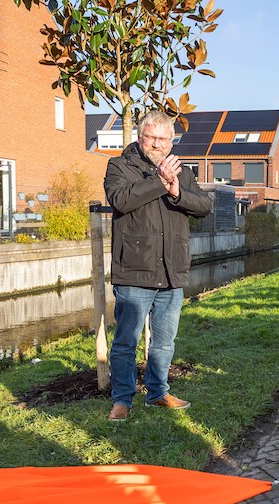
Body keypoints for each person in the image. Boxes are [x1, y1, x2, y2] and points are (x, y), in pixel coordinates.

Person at [104, 111, 213, 421]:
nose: (156, 144)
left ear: (171, 141)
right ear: (140, 138)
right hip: (135, 270)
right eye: (150, 137)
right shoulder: (120, 166)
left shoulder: (183, 171)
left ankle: (158, 392)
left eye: (163, 139)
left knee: (164, 341)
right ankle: (122, 399)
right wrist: (160, 181)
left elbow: (204, 206)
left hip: (171, 270)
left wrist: (177, 191)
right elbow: (121, 200)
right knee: (126, 341)